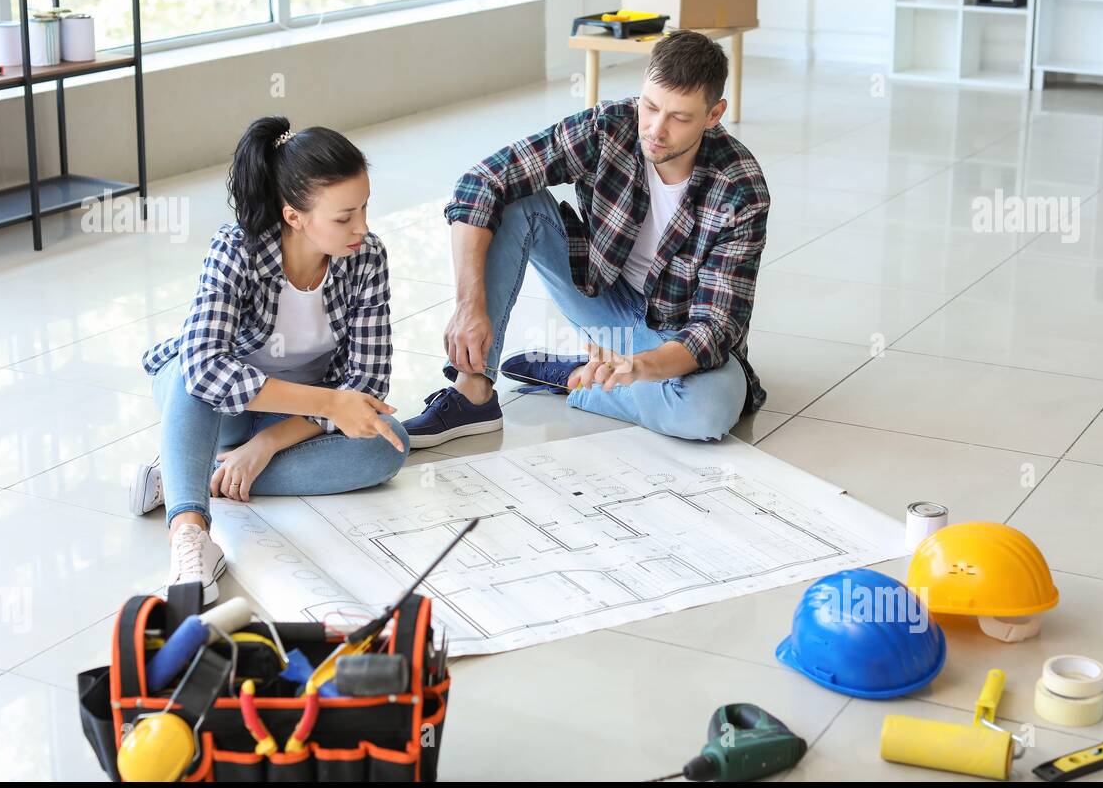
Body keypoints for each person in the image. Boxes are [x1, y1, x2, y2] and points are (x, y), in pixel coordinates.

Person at [402, 29, 770, 449]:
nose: (655, 128)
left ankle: (584, 377)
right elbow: (481, 181)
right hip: (603, 301)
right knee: (515, 202)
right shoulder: (608, 127)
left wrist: (639, 367)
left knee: (707, 412)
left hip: (673, 337)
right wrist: (469, 306)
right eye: (649, 106)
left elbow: (716, 326)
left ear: (713, 114)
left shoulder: (740, 189)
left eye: (679, 117)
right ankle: (473, 392)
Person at [132, 116, 409, 603]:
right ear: (294, 216)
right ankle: (190, 531)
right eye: (344, 217)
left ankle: (186, 473)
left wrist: (269, 443)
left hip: (286, 419)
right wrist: (330, 403)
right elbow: (204, 368)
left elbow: (367, 382)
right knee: (190, 378)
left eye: (364, 209)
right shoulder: (237, 247)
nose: (361, 229)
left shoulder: (367, 258)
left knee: (388, 445)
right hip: (216, 409)